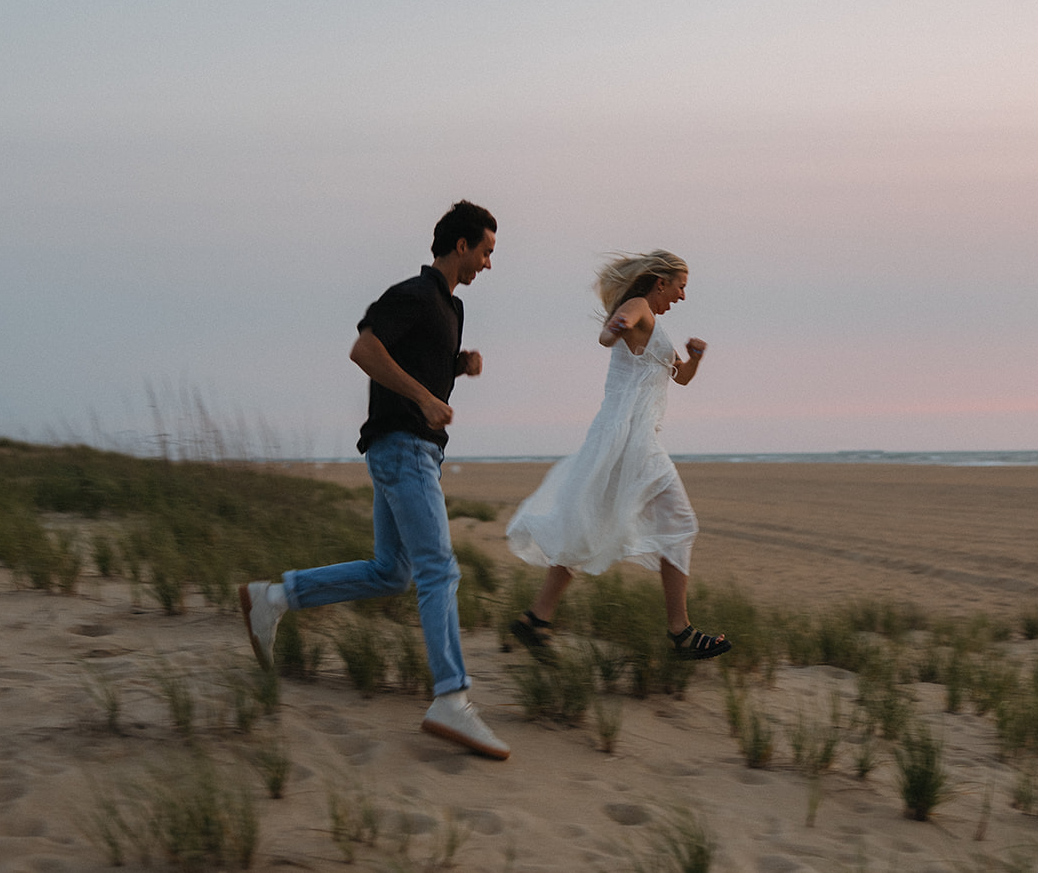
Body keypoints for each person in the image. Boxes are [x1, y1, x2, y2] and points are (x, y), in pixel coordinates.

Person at [240, 200, 509, 760]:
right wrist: (426, 398)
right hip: (401, 447)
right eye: (485, 251)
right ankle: (451, 699)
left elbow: (417, 360)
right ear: (460, 246)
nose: (488, 263)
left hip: (419, 452)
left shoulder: (451, 311)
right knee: (439, 569)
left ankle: (274, 597)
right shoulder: (412, 294)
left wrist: (457, 368)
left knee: (393, 572)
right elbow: (365, 349)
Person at [504, 250, 730, 661]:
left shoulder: (654, 324)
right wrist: (616, 327)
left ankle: (536, 620)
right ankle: (680, 631)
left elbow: (678, 376)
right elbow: (608, 336)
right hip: (635, 443)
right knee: (680, 523)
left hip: (622, 442)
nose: (682, 295)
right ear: (661, 282)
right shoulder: (639, 306)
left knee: (588, 526)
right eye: (680, 286)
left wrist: (694, 358)